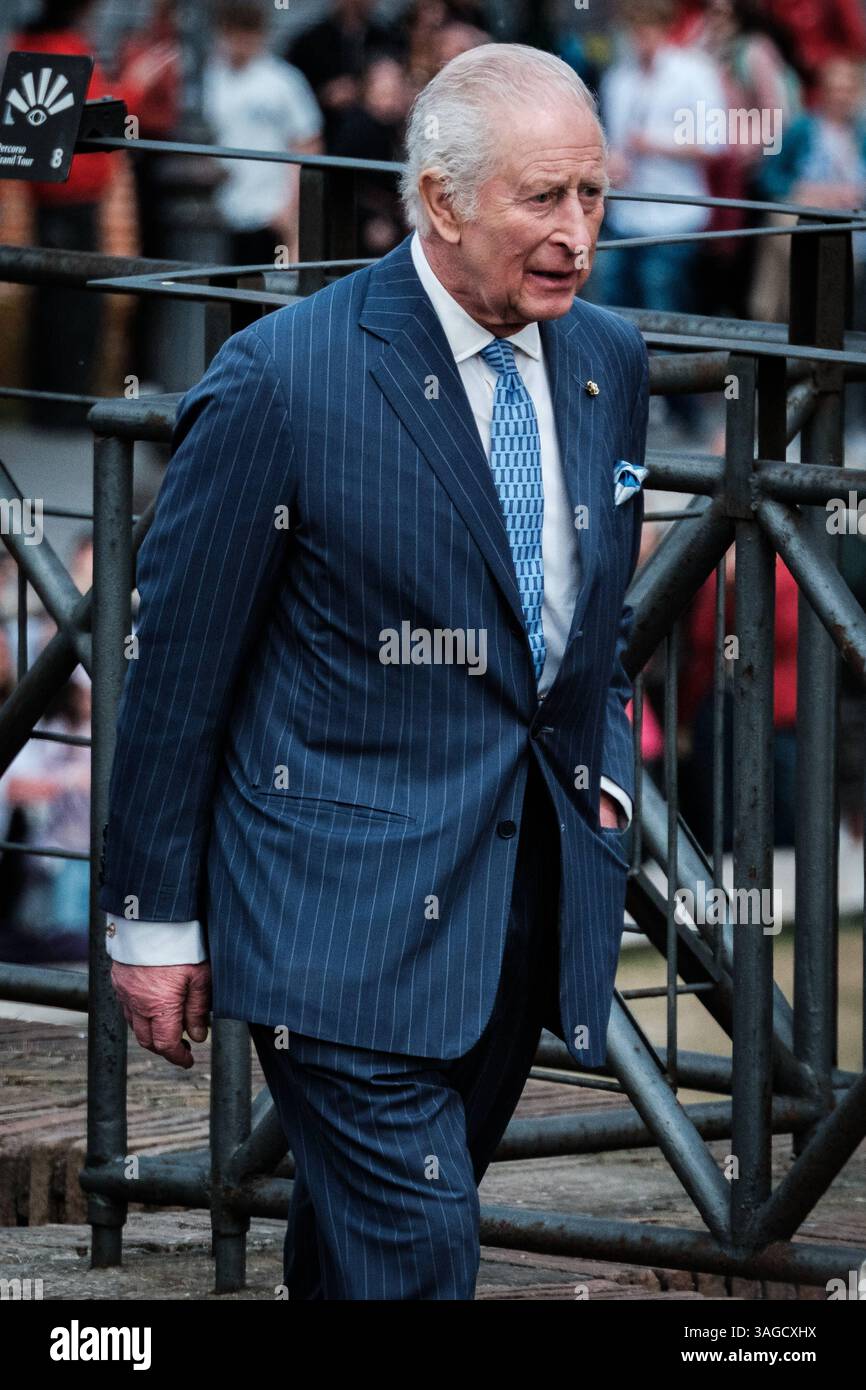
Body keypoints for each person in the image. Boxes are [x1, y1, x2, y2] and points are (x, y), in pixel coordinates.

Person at [99, 43, 648, 1301]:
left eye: (593, 197)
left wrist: (603, 781)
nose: (577, 233)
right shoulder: (282, 378)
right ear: (443, 202)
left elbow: (593, 632)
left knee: (362, 1255)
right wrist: (152, 921)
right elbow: (175, 673)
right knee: (416, 1254)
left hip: (521, 907)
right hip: (331, 926)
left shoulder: (605, 360)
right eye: (543, 199)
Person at [595, 0, 727, 318]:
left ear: (664, 28)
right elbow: (612, 139)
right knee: (613, 306)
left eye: (647, 28)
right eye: (634, 29)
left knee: (664, 306)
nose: (640, 37)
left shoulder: (695, 72)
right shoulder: (618, 78)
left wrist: (653, 144)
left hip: (675, 214)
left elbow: (715, 143)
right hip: (625, 212)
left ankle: (670, 368)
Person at [203, 1, 324, 267]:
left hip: (272, 214)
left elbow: (307, 143)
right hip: (231, 210)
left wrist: (291, 209)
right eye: (229, 32)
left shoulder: (282, 81)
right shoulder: (215, 78)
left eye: (243, 32)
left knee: (269, 299)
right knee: (233, 298)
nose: (236, 41)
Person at [284, 0, 405, 149]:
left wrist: (365, 92)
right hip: (325, 137)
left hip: (378, 142)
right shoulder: (309, 42)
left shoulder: (389, 38)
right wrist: (323, 96)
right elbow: (290, 91)